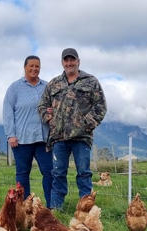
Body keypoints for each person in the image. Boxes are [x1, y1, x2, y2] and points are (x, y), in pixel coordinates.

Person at [38, 47, 106, 210]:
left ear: (78, 61)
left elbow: (100, 107)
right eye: (66, 60)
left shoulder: (91, 81)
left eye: (72, 60)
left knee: (84, 173)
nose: (69, 63)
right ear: (62, 63)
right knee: (58, 174)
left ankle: (86, 209)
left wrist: (85, 124)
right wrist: (50, 118)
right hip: (59, 138)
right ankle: (56, 209)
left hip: (81, 138)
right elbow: (42, 106)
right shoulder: (54, 84)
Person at [2, 55, 53, 204]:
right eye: (31, 66)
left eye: (37, 66)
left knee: (50, 173)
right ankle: (24, 206)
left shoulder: (47, 87)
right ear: (25, 67)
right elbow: (7, 112)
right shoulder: (14, 88)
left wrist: (52, 110)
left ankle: (51, 206)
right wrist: (11, 135)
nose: (34, 69)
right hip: (21, 140)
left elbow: (54, 106)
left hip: (43, 139)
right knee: (22, 174)